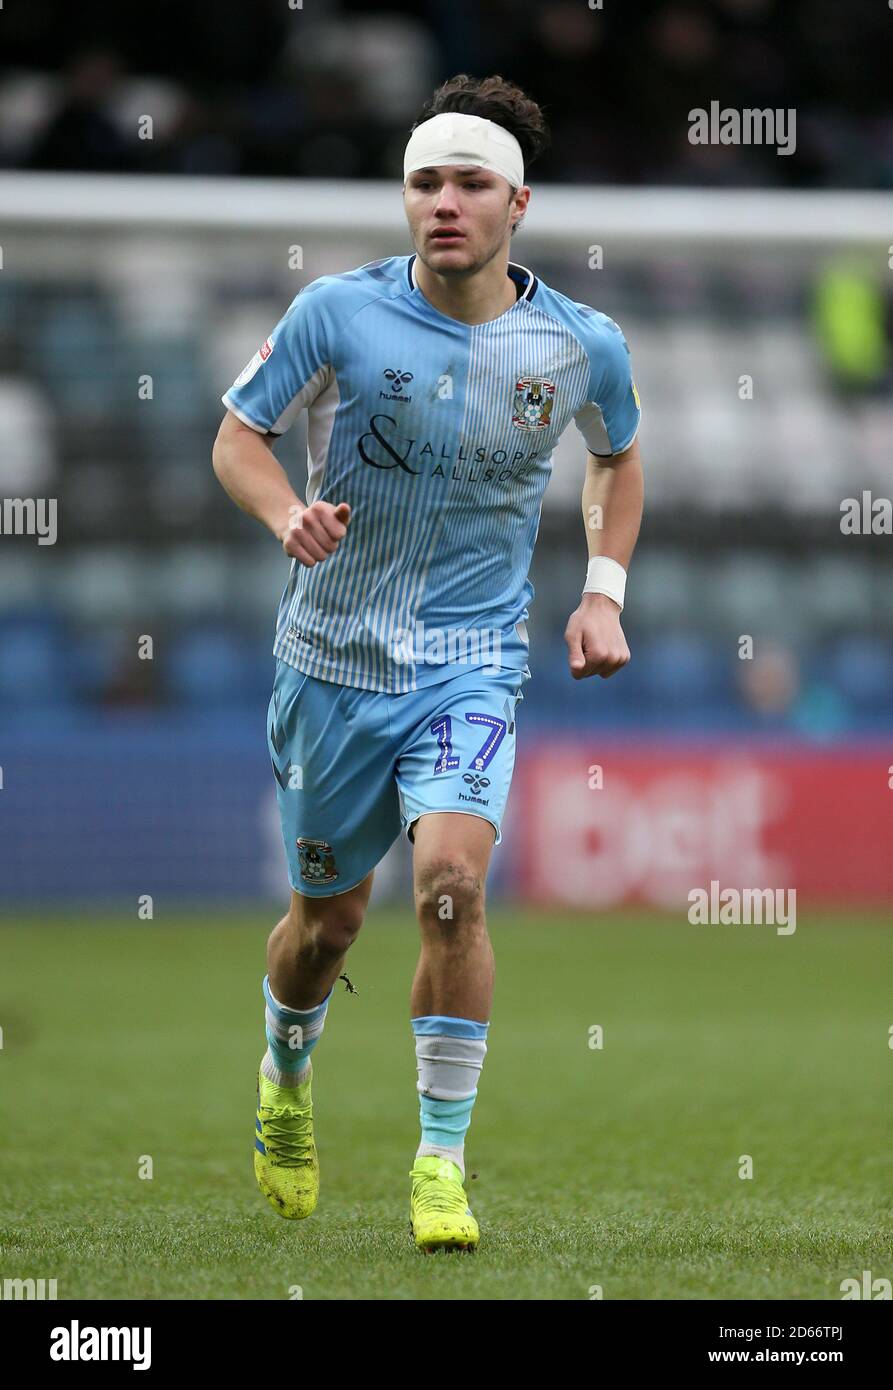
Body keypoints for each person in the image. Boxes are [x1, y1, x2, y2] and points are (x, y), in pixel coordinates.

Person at [212, 73, 644, 1253]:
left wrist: (601, 592)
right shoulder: (334, 313)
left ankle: (439, 1164)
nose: (442, 203)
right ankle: (285, 1085)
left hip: (470, 662)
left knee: (450, 887)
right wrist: (284, 514)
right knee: (328, 926)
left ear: (517, 202)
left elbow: (617, 458)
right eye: (423, 182)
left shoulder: (578, 343)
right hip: (329, 661)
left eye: (468, 184)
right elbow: (238, 434)